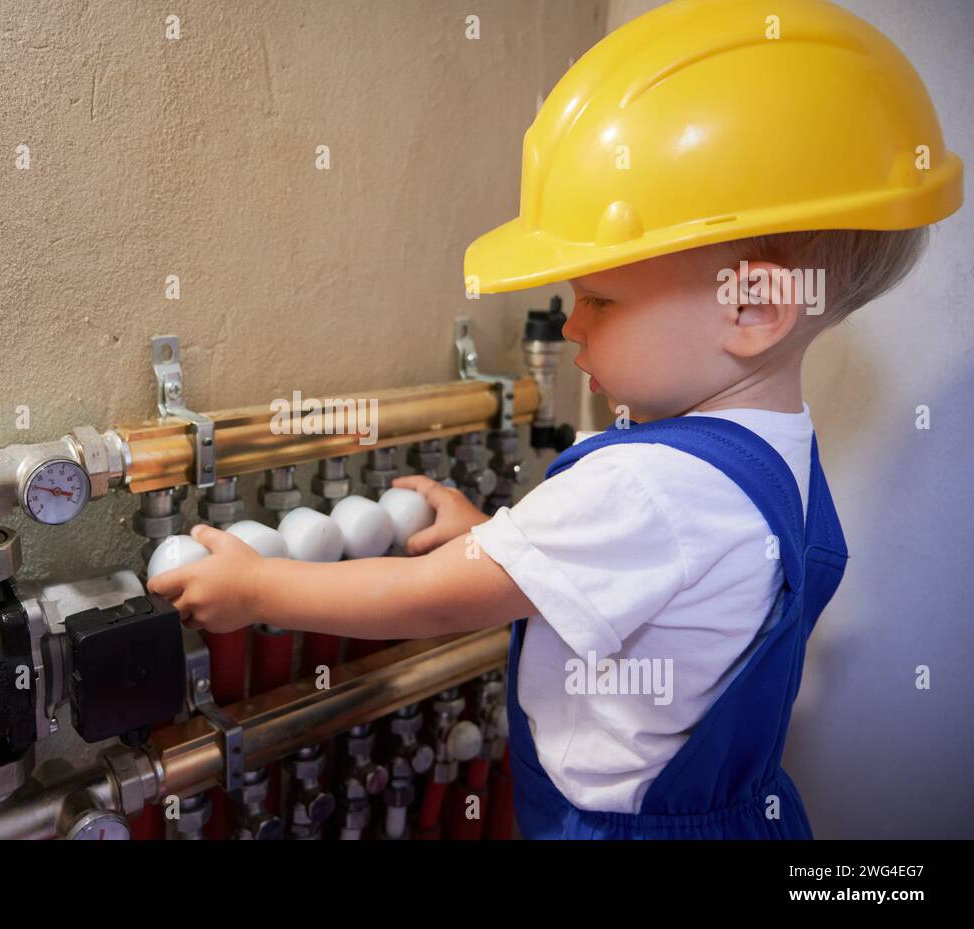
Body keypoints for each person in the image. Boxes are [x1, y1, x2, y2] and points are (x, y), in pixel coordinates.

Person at [147, 0, 963, 838]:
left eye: (600, 299)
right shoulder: (774, 452)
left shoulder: (649, 486)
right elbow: (630, 576)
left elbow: (437, 598)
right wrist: (502, 536)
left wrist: (259, 586)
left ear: (754, 304)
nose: (571, 325)